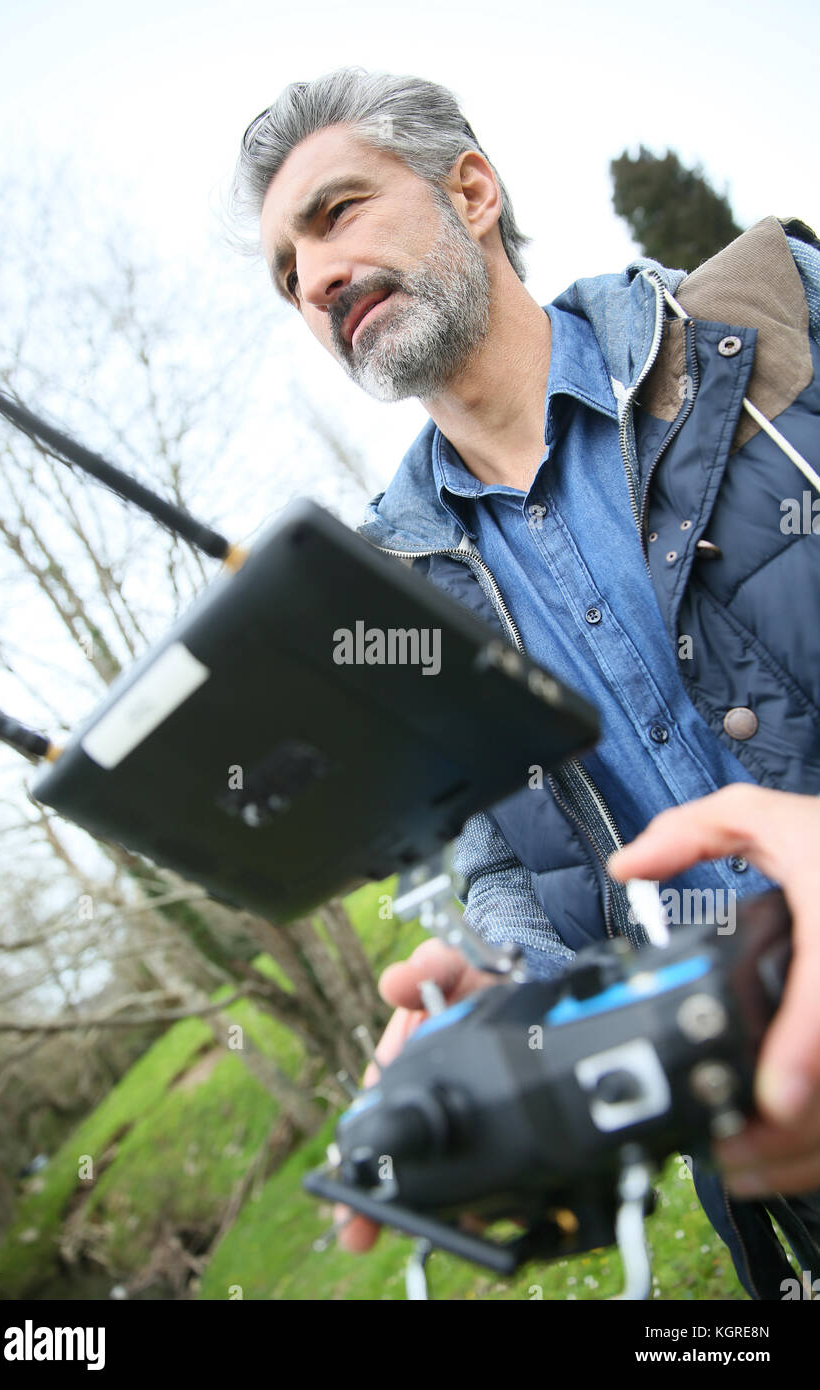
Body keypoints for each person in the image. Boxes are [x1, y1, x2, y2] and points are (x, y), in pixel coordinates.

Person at [234, 67, 820, 1298]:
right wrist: (500, 999)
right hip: (770, 1147)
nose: (317, 279)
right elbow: (498, 862)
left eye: (335, 213)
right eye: (287, 273)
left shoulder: (772, 331)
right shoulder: (380, 606)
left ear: (474, 188)